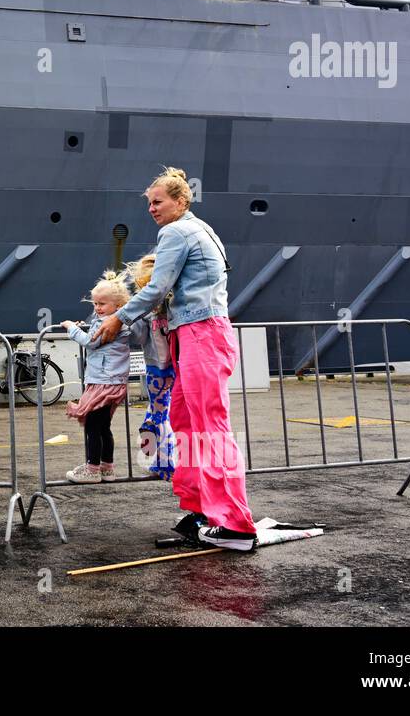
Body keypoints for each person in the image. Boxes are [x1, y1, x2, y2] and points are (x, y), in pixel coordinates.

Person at [89, 167, 258, 551]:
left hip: (201, 334)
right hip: (194, 335)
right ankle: (203, 511)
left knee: (209, 427)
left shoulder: (176, 231)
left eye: (158, 201)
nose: (151, 208)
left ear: (181, 201)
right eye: (149, 202)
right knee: (184, 420)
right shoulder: (202, 230)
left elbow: (160, 286)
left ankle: (234, 524)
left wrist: (120, 316)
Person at [60, 276, 134, 484]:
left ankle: (92, 469)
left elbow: (90, 342)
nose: (97, 308)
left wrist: (70, 328)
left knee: (93, 425)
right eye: (95, 303)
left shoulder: (108, 324)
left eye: (102, 304)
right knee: (103, 427)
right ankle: (107, 468)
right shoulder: (119, 322)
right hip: (114, 381)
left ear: (118, 305)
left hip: (103, 381)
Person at [121, 255, 176, 480]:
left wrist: (126, 317)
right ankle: (156, 446)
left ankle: (165, 463)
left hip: (156, 369)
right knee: (162, 411)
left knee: (161, 415)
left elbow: (139, 337)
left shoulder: (148, 312)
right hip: (172, 368)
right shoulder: (175, 307)